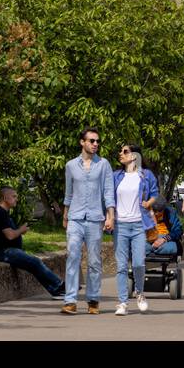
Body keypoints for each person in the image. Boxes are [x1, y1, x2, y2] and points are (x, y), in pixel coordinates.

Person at [61, 128, 115, 315]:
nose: (95, 144)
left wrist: (110, 216)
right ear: (82, 142)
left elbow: (108, 192)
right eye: (91, 141)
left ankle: (93, 299)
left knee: (94, 261)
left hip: (94, 219)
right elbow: (69, 193)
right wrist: (65, 215)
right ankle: (70, 301)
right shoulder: (70, 165)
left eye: (97, 141)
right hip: (75, 217)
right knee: (72, 257)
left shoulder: (104, 164)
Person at [0, 186, 64, 299]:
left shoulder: (3, 212)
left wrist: (19, 231)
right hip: (3, 251)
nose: (16, 199)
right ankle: (60, 285)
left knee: (33, 265)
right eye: (14, 196)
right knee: (35, 262)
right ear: (5, 197)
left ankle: (56, 291)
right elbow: (10, 235)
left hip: (10, 250)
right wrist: (21, 230)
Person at [112, 143, 160, 316]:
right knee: (121, 266)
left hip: (139, 224)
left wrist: (149, 203)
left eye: (125, 151)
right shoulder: (116, 176)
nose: (121, 154)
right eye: (121, 151)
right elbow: (109, 197)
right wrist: (109, 217)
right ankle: (122, 302)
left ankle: (140, 293)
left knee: (139, 263)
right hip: (121, 226)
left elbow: (155, 193)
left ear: (135, 156)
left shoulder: (146, 175)